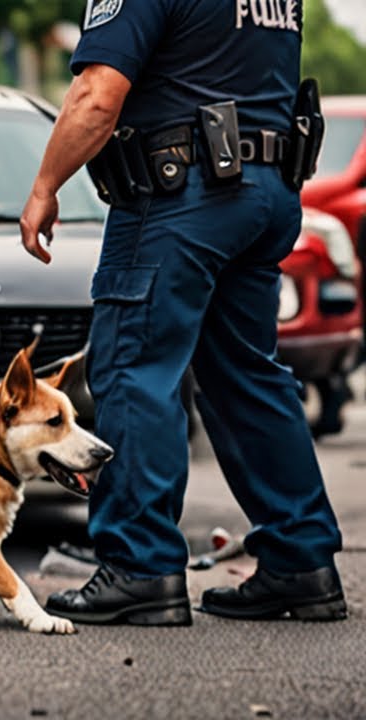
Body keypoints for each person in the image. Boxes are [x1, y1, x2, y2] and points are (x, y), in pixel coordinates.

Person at [19, 1, 347, 625]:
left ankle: (140, 569)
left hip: (181, 194)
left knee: (133, 371)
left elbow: (97, 94)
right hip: (266, 191)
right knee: (246, 376)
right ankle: (302, 564)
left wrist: (45, 186)